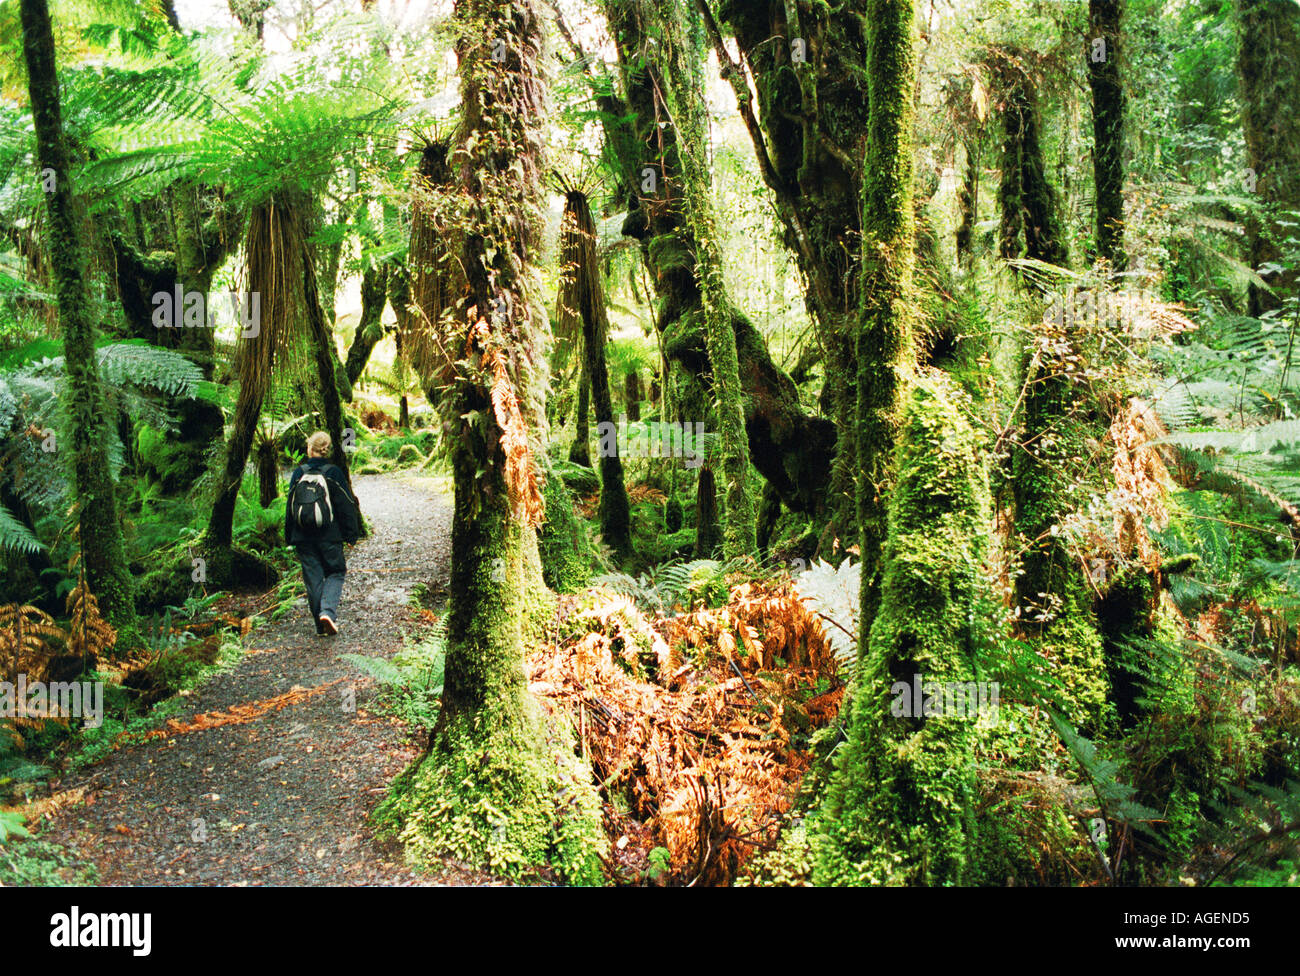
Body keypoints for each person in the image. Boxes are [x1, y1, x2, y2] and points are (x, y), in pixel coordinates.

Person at [285, 431, 360, 636]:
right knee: (336, 572)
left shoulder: (298, 473)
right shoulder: (333, 473)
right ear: (326, 450)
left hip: (302, 537)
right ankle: (327, 612)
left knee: (313, 578)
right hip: (330, 535)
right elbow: (346, 505)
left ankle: (320, 625)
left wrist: (288, 535)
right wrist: (351, 535)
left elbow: (289, 506)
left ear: (309, 449)